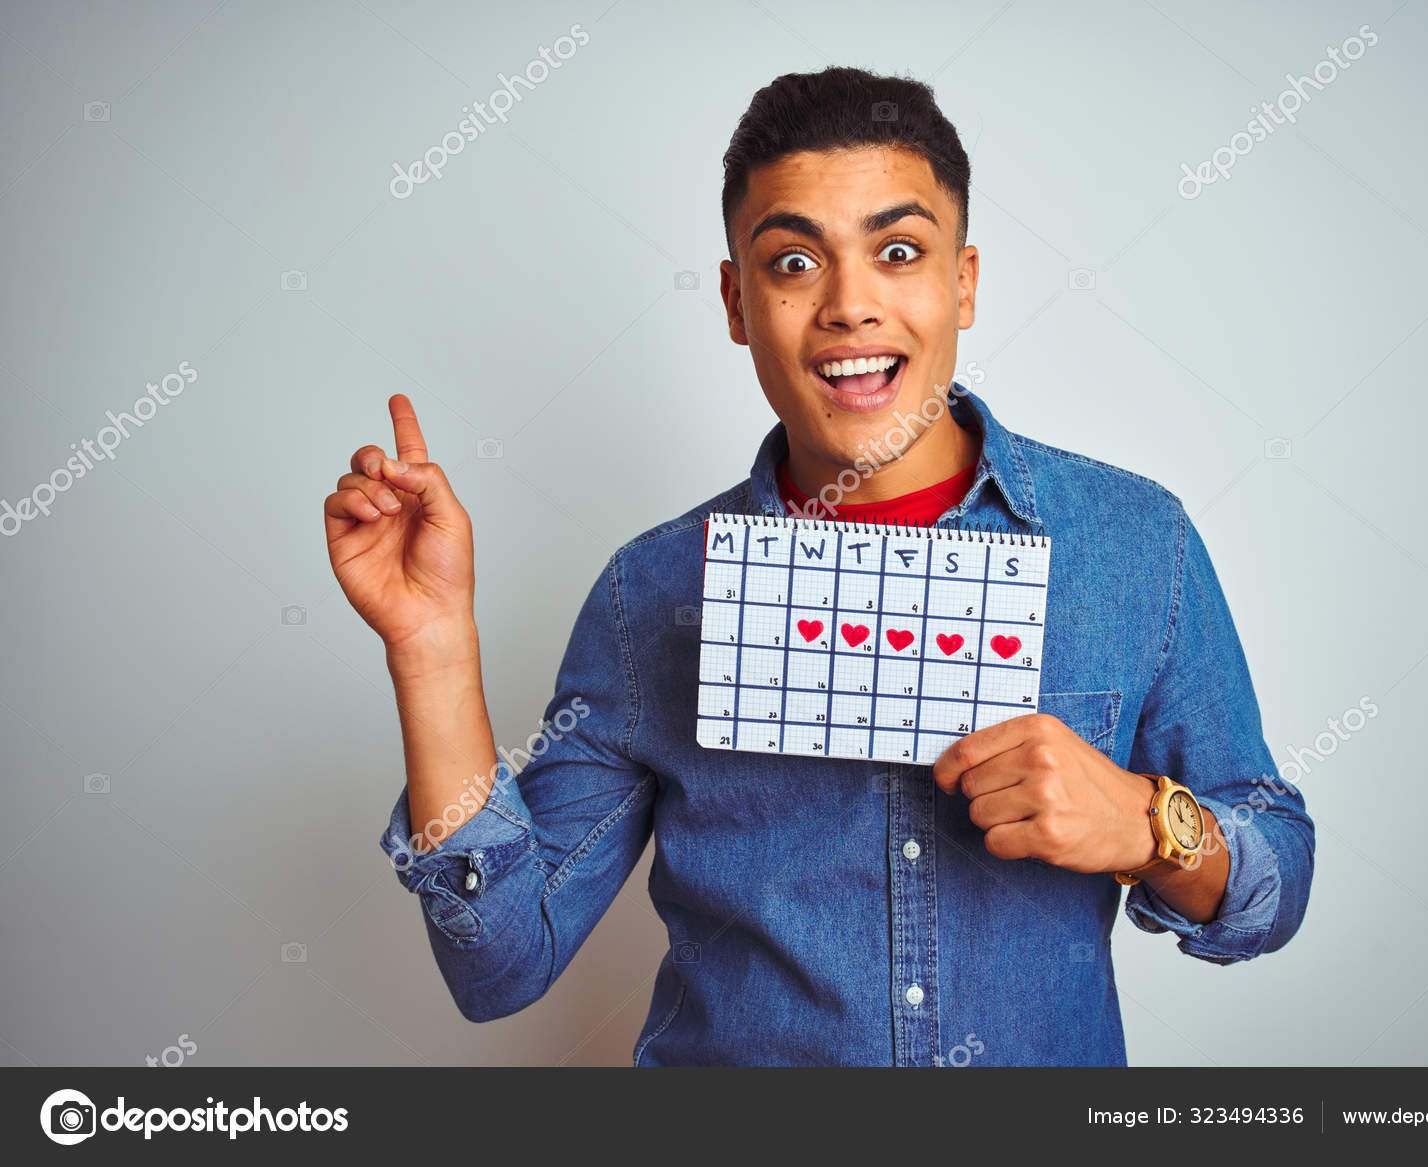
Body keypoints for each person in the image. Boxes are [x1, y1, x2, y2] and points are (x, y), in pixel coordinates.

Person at [323, 66, 1314, 1066]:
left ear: (961, 282)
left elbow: (1278, 886)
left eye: (896, 251)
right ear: (735, 301)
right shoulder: (651, 595)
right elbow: (500, 965)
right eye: (794, 263)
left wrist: (1152, 828)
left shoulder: (1133, 542)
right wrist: (432, 650)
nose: (849, 305)